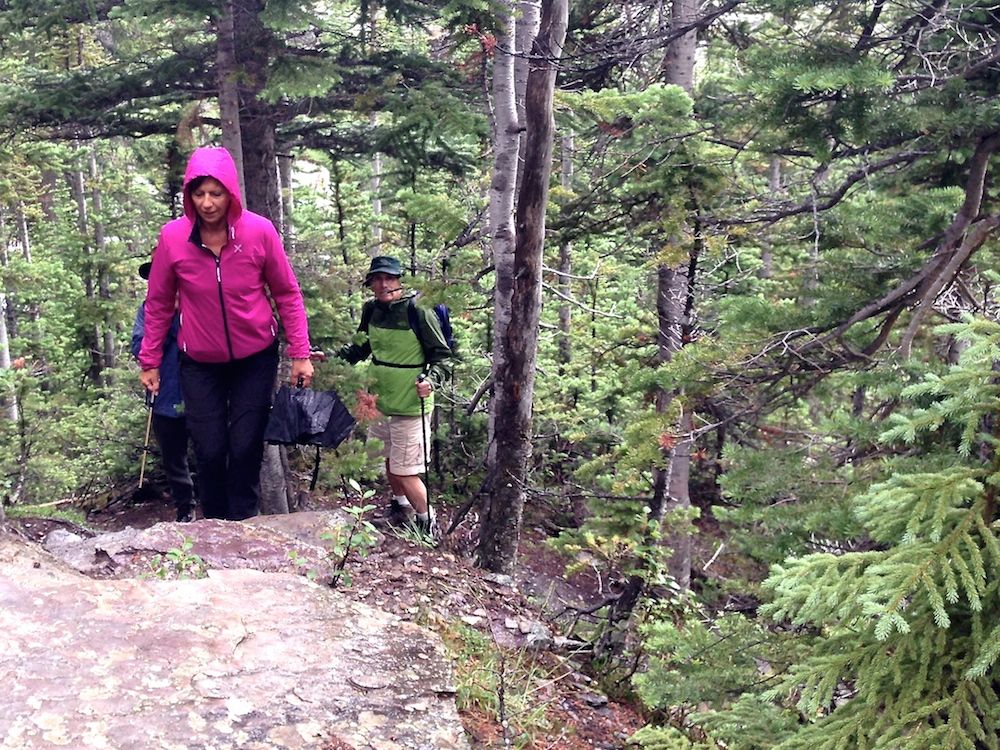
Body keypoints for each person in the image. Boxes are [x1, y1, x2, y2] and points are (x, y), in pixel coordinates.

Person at [138, 146, 314, 521]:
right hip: (199, 361)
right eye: (198, 194)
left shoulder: (258, 232)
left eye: (215, 193)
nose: (207, 203)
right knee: (210, 448)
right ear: (189, 195)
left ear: (231, 193)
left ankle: (244, 525)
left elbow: (286, 292)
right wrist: (150, 361)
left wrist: (301, 352)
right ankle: (214, 526)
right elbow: (158, 302)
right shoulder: (173, 238)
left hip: (255, 357)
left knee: (246, 444)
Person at [337, 256, 452, 536]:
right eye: (377, 279)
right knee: (389, 460)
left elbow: (443, 358)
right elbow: (360, 349)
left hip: (411, 403)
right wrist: (330, 359)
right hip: (381, 401)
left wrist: (432, 380)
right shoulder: (371, 310)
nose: (384, 284)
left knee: (406, 469)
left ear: (399, 280)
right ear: (371, 284)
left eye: (389, 278)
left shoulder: (418, 311)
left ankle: (428, 524)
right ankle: (401, 509)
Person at [131, 259, 196, 522]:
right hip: (164, 390)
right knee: (173, 454)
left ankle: (219, 505)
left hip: (200, 390)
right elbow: (138, 345)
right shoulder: (147, 310)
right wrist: (164, 322)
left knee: (211, 449)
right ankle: (185, 508)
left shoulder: (197, 305)